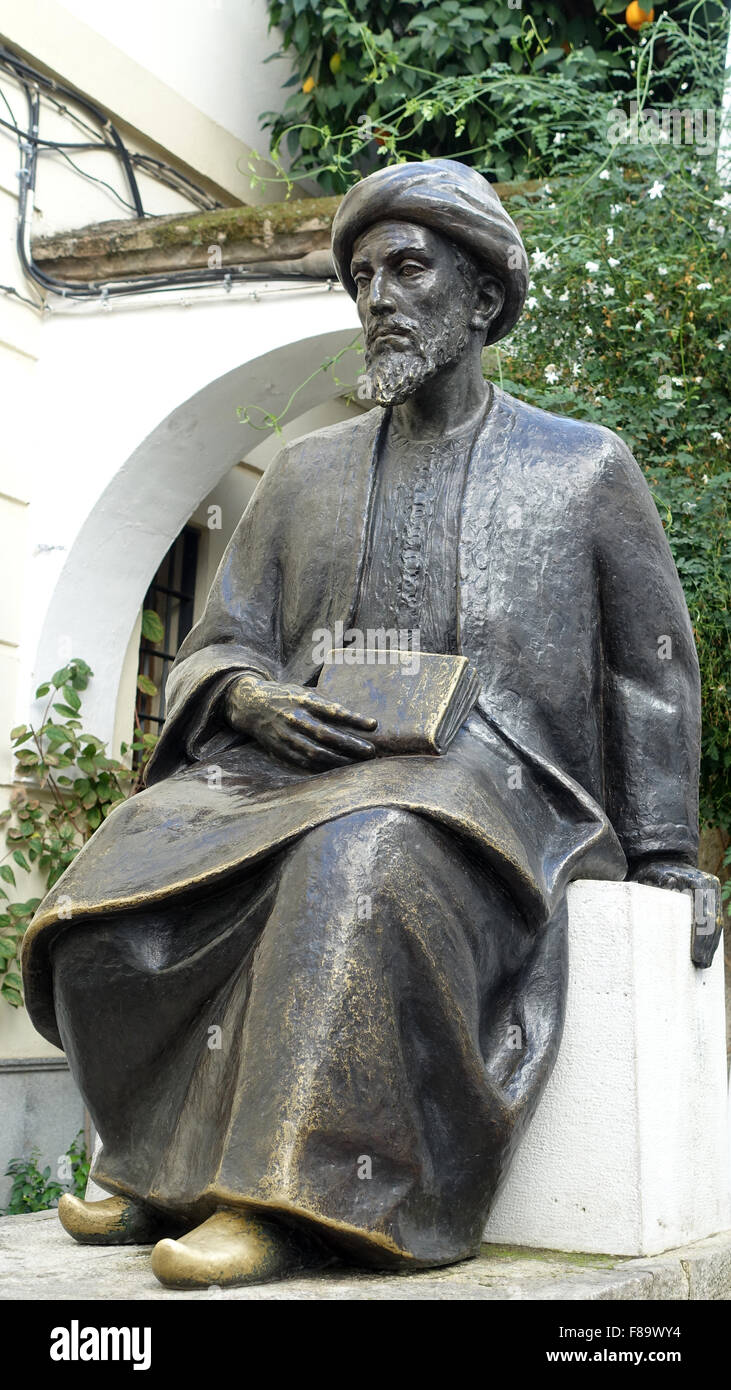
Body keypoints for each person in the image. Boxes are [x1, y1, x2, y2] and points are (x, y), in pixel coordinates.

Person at [21, 159, 720, 1290]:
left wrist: (662, 854)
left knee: (361, 852)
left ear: (482, 298)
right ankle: (157, 1164)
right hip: (294, 773)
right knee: (122, 869)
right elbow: (219, 641)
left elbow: (649, 672)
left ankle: (280, 1193)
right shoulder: (304, 473)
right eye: (359, 278)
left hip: (501, 787)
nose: (378, 298)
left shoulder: (581, 467)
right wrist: (246, 698)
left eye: (406, 269)